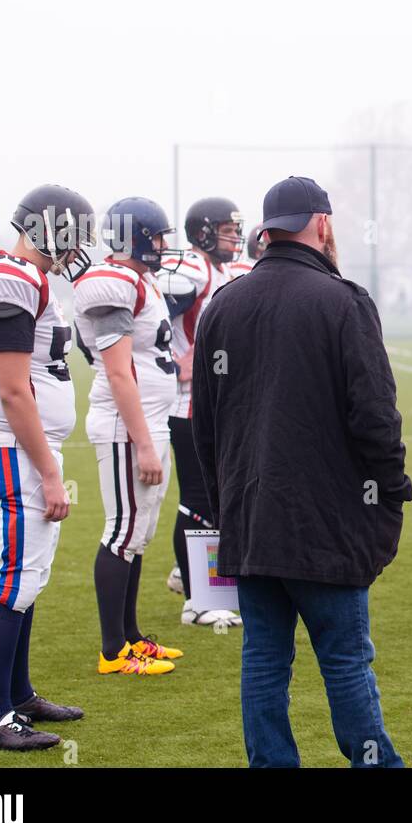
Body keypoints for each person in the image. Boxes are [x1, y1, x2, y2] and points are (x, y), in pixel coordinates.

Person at [191, 175, 409, 768]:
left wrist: (226, 505)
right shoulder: (344, 302)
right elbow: (375, 419)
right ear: (322, 224)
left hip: (251, 518)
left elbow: (202, 426)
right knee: (344, 659)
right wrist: (393, 491)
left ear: (267, 230)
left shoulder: (223, 304)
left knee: (263, 657)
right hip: (327, 521)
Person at [0, 184, 94, 750]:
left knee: (28, 578)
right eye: (74, 234)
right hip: (11, 448)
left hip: (24, 449)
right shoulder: (6, 274)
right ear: (49, 228)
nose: (77, 248)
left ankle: (19, 695)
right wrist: (52, 474)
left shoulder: (27, 277)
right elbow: (14, 391)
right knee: (12, 581)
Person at [74, 196, 183, 676]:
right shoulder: (113, 282)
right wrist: (142, 443)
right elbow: (119, 374)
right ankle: (113, 650)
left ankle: (132, 638)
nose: (162, 246)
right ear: (133, 236)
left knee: (137, 534)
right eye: (156, 236)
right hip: (126, 426)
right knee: (121, 532)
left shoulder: (143, 282)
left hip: (149, 422)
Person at [155, 197, 245, 628]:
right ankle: (201, 599)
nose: (234, 236)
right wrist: (173, 362)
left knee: (213, 497)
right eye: (227, 229)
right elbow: (151, 318)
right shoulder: (189, 268)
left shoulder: (219, 269)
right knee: (198, 500)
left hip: (209, 400)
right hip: (185, 402)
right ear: (205, 232)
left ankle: (190, 576)